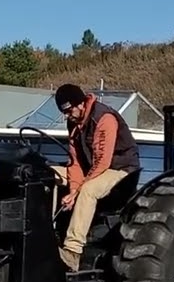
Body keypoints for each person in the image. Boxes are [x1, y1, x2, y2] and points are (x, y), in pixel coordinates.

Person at [51, 83, 140, 270]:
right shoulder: (73, 123)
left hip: (121, 170)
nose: (66, 116)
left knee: (89, 190)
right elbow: (74, 161)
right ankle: (47, 232)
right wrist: (73, 188)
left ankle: (72, 251)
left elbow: (102, 162)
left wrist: (76, 193)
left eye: (68, 111)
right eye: (63, 112)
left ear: (81, 104)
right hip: (93, 168)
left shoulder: (104, 118)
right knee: (47, 173)